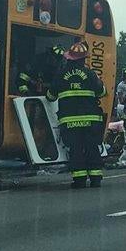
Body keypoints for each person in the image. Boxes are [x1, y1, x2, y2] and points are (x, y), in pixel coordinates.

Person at [46, 40, 106, 188]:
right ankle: (95, 179)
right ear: (83, 59)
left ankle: (79, 180)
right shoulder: (90, 74)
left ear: (69, 58)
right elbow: (102, 92)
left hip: (70, 121)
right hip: (91, 120)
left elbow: (50, 96)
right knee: (92, 147)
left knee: (76, 149)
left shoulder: (61, 74)